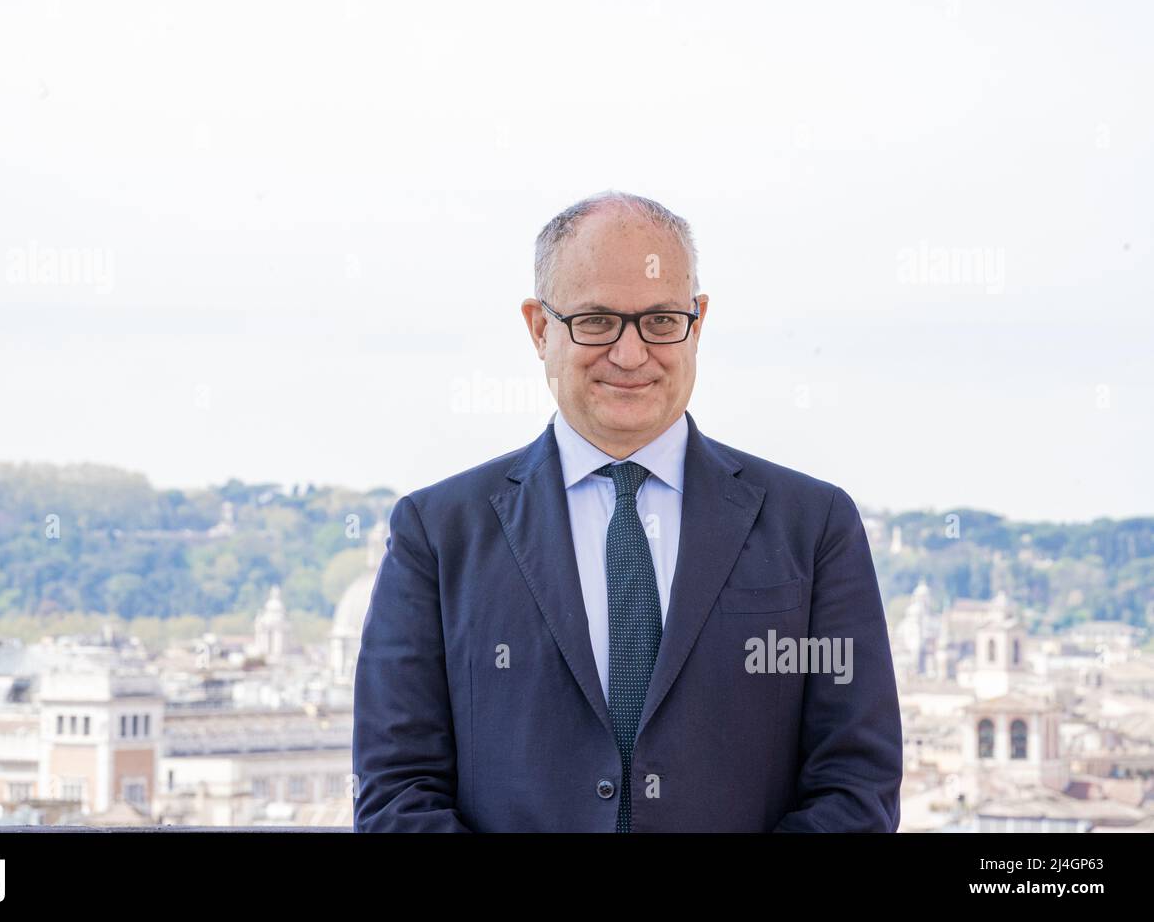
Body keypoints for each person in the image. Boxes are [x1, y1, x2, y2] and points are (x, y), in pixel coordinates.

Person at [352, 190, 902, 831]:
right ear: (538, 329)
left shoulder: (814, 526)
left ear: (698, 319)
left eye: (661, 321)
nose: (631, 353)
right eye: (596, 322)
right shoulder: (438, 533)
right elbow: (396, 794)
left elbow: (855, 785)